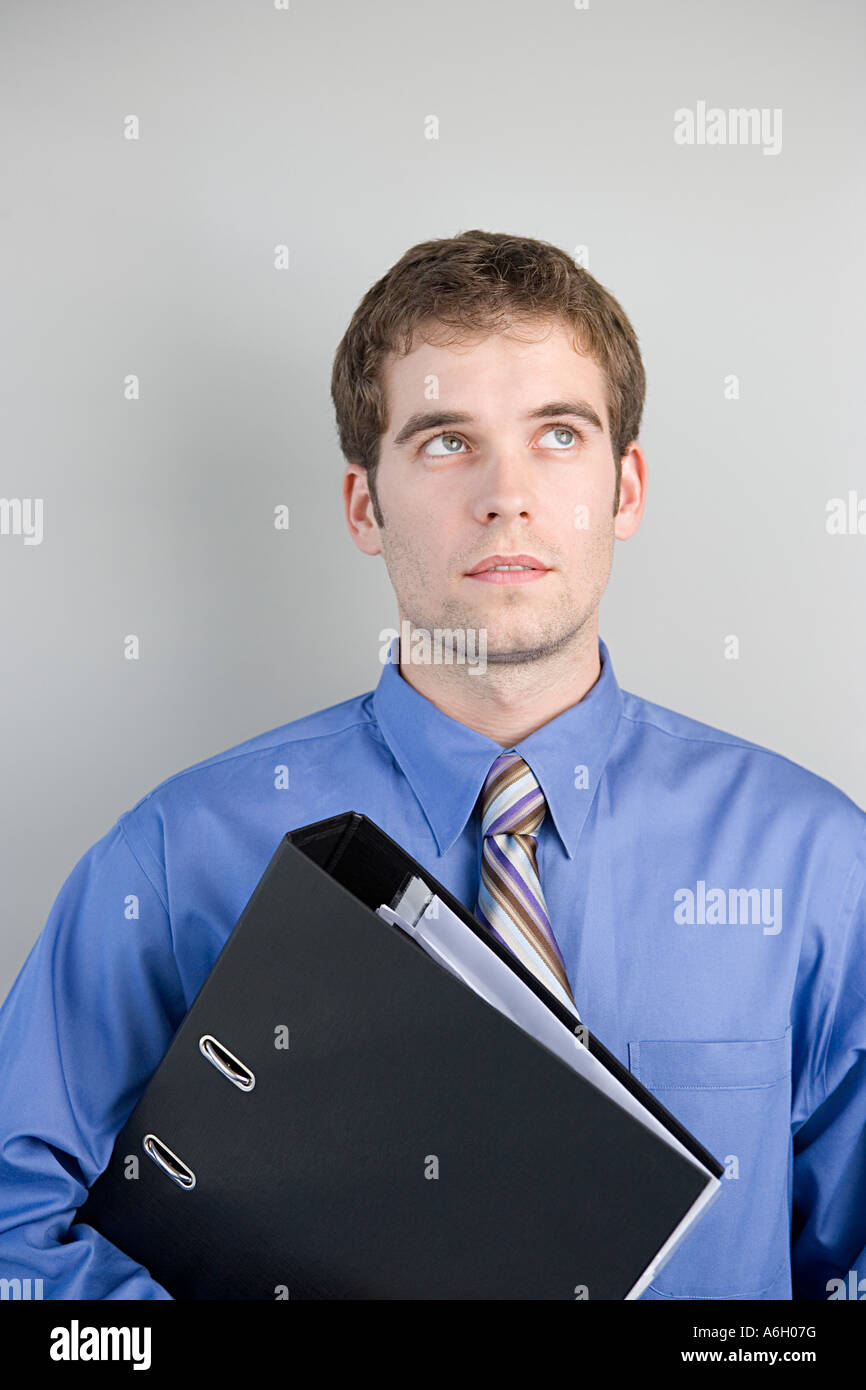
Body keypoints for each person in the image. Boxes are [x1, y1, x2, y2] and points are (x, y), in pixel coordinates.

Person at [1, 230, 863, 1301]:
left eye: (556, 433)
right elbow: (14, 1222)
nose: (506, 495)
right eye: (446, 441)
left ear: (624, 487)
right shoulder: (177, 855)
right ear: (364, 504)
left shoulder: (816, 864)